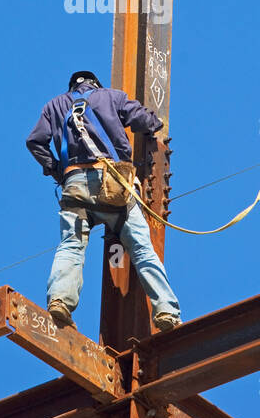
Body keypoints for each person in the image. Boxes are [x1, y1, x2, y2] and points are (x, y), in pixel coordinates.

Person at [25, 70, 181, 332]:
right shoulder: (113, 97)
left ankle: (60, 300)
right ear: (95, 84)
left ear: (72, 87)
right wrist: (154, 124)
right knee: (142, 249)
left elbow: (34, 142)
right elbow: (143, 119)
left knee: (71, 246)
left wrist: (56, 170)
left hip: (75, 187)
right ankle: (166, 310)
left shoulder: (53, 106)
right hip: (115, 185)